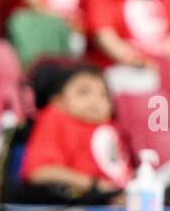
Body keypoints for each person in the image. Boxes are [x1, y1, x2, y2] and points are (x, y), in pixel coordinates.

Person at [19, 61, 129, 201]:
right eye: (83, 92)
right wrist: (93, 186)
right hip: (78, 207)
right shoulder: (55, 117)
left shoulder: (112, 127)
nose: (96, 100)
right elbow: (39, 172)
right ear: (57, 100)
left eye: (103, 94)